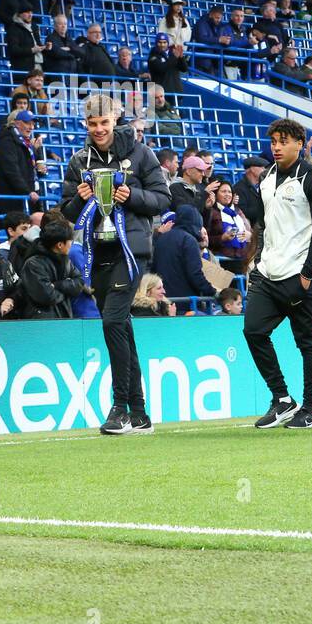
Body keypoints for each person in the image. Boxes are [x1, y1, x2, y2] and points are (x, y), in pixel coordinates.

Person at [60, 95, 171, 434]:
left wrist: (132, 196)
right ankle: (139, 413)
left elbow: (164, 200)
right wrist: (77, 200)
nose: (98, 130)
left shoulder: (140, 153)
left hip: (130, 250)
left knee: (111, 322)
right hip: (98, 252)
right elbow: (64, 212)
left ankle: (119, 407)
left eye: (104, 123)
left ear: (115, 119)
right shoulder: (80, 160)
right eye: (92, 124)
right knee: (120, 327)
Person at [242, 118, 312, 430]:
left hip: (299, 275)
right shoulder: (266, 176)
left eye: (283, 141)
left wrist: (308, 274)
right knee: (253, 331)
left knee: (307, 341)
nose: (277, 147)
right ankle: (282, 398)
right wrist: (257, 264)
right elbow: (263, 225)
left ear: (298, 143)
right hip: (267, 274)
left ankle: (309, 409)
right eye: (273, 142)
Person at [20, 219, 87, 319]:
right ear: (60, 245)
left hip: (64, 318)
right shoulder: (33, 264)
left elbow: (80, 282)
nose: (71, 244)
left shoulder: (66, 260)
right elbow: (47, 296)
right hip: (42, 322)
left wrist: (56, 285)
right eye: (70, 241)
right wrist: (67, 291)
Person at [152, 203, 213, 303]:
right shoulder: (189, 240)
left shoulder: (161, 239)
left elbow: (153, 270)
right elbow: (195, 274)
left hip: (164, 301)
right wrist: (212, 291)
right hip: (185, 303)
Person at [0, 109, 45, 218]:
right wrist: (27, 192)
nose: (31, 127)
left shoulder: (25, 143)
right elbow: (12, 171)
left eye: (33, 124)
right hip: (13, 200)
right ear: (16, 123)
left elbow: (29, 170)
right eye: (27, 123)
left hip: (27, 196)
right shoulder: (7, 142)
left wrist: (38, 157)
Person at [207, 181, 252, 272]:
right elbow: (205, 238)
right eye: (223, 191)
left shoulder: (237, 211)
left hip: (241, 260)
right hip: (221, 262)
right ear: (216, 194)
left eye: (229, 192)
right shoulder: (210, 212)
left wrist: (249, 235)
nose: (227, 194)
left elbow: (251, 232)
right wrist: (222, 238)